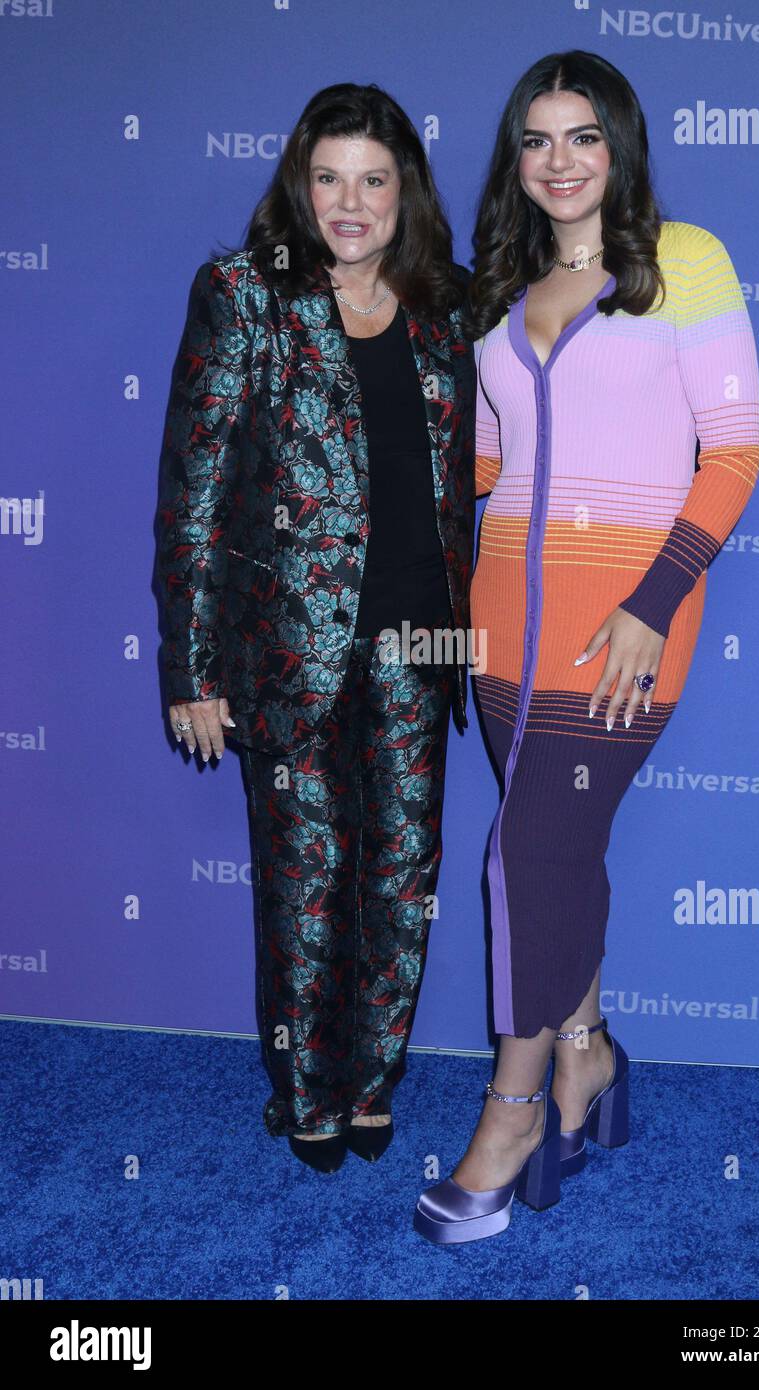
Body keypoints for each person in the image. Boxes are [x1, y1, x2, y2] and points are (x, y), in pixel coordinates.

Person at [413, 49, 759, 1243]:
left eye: (582, 137)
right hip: (503, 633)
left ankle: (511, 1113)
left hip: (622, 630)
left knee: (523, 864)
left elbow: (731, 456)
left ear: (619, 146)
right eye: (535, 140)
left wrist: (650, 601)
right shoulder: (499, 296)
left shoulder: (685, 263)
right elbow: (494, 467)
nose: (558, 162)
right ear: (514, 160)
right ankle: (586, 1055)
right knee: (556, 862)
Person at [155, 83, 476, 1174]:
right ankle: (305, 1093)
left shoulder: (445, 303)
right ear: (300, 183)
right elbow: (193, 492)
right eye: (329, 177)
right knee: (304, 881)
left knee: (399, 871)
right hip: (285, 647)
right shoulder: (246, 293)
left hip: (421, 642)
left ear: (404, 193)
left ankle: (373, 1080)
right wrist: (191, 669)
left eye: (373, 180)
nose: (349, 203)